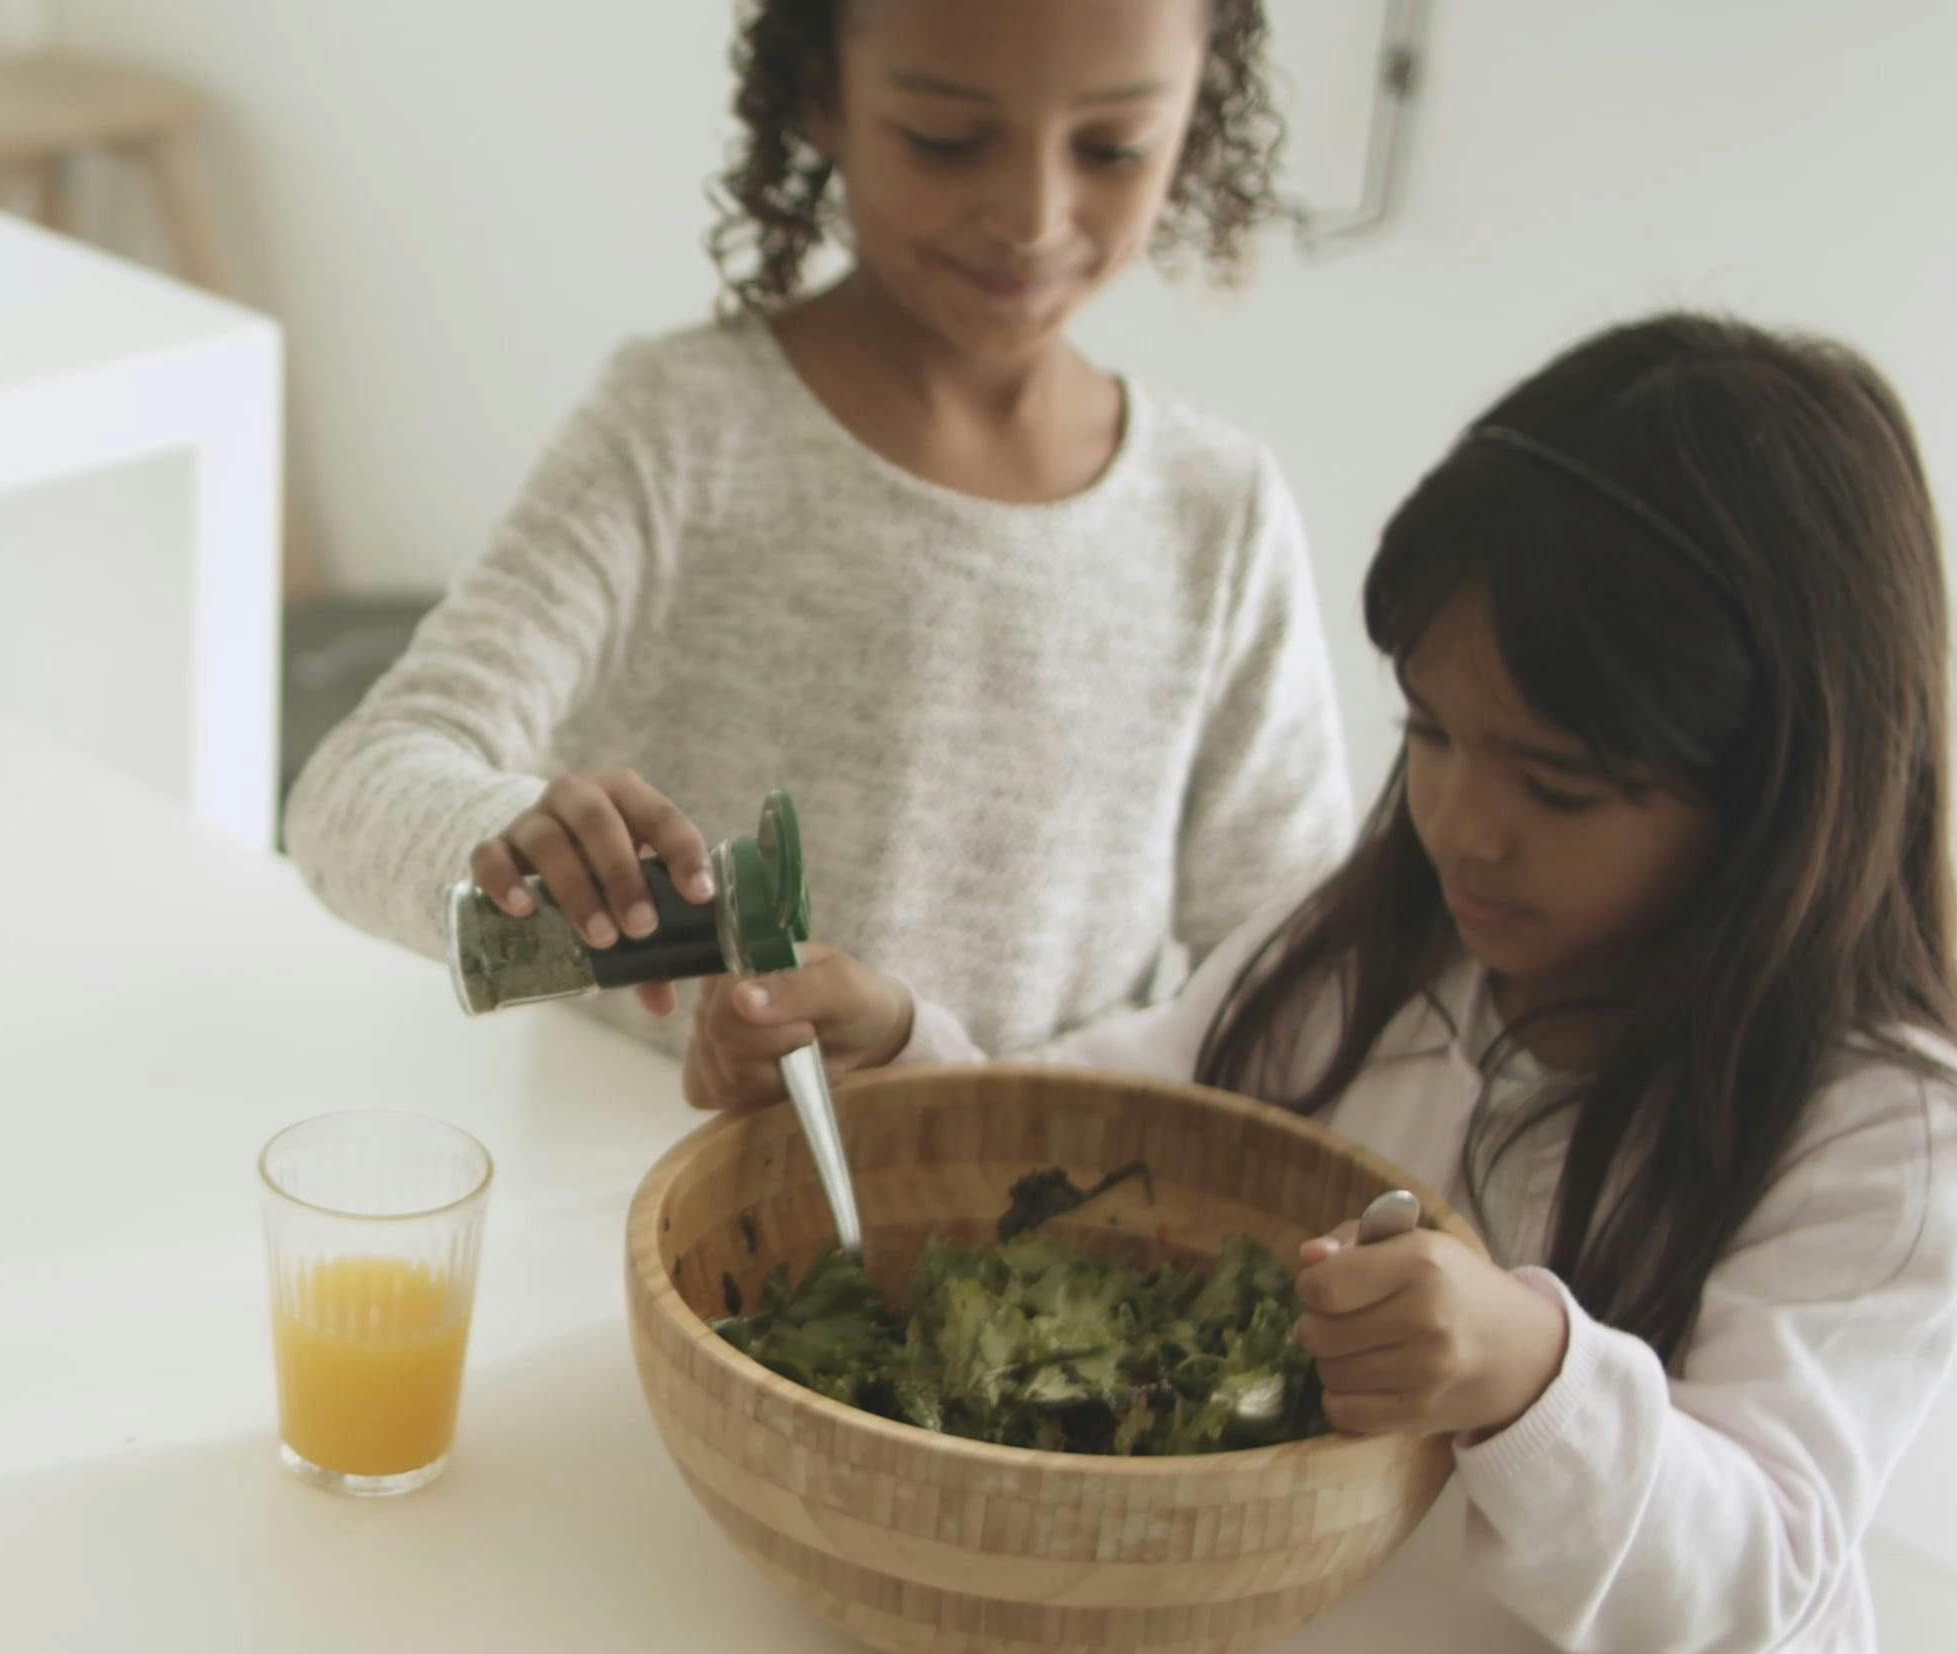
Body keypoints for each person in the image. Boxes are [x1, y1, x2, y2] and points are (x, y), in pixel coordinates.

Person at [694, 314, 1957, 1654]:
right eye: (1431, 733)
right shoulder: (1388, 932)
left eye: (1559, 787)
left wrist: (1529, 1372)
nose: (1462, 822)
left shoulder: (1889, 1134)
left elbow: (1752, 1566)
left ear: (1775, 796)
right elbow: (1141, 1135)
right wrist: (909, 1069)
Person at [284, 0, 1351, 1057]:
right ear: (822, 94)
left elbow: (1293, 975)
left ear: (1197, 115)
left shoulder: (1217, 513)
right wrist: (512, 842)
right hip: (629, 1183)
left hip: (1019, 1207)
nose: (1032, 214)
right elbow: (350, 796)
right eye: (946, 140)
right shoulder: (681, 430)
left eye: (1112, 147)